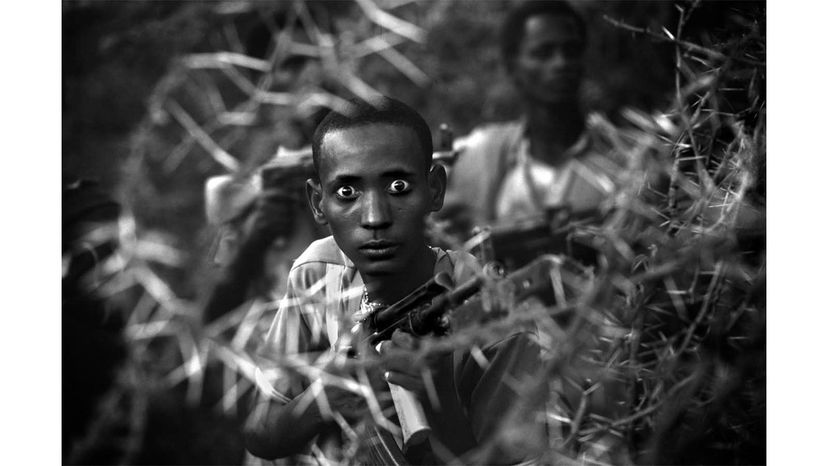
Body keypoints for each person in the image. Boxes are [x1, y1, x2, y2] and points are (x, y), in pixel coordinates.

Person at [243, 97, 546, 464]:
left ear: (434, 189)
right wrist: (330, 397)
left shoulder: (496, 316)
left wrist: (439, 400)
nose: (374, 217)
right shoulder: (318, 274)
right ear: (318, 202)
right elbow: (260, 434)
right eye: (347, 193)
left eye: (398, 186)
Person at [437, 0, 622, 238]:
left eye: (571, 51)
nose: (561, 63)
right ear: (512, 67)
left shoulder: (623, 158)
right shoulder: (483, 152)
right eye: (543, 53)